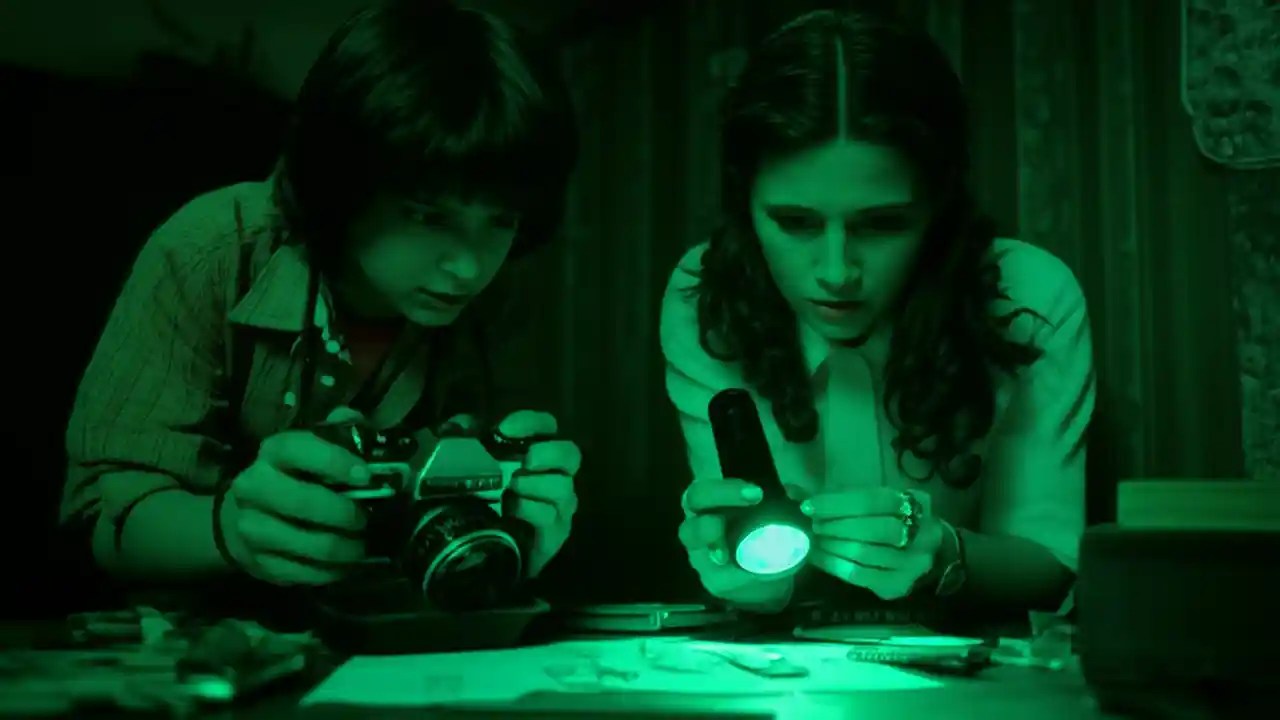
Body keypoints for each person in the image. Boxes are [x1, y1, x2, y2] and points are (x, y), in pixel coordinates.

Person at [61, 0, 582, 599]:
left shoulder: (505, 295)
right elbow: (102, 523)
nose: (468, 266)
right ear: (344, 185)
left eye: (501, 220)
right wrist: (232, 530)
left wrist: (522, 528)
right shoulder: (211, 250)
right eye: (425, 215)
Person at [661, 9, 1094, 615]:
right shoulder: (703, 295)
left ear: (939, 206)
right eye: (795, 222)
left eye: (883, 223)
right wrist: (736, 567)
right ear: (745, 202)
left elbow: (1052, 568)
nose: (837, 271)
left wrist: (942, 554)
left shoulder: (1028, 296)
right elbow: (753, 564)